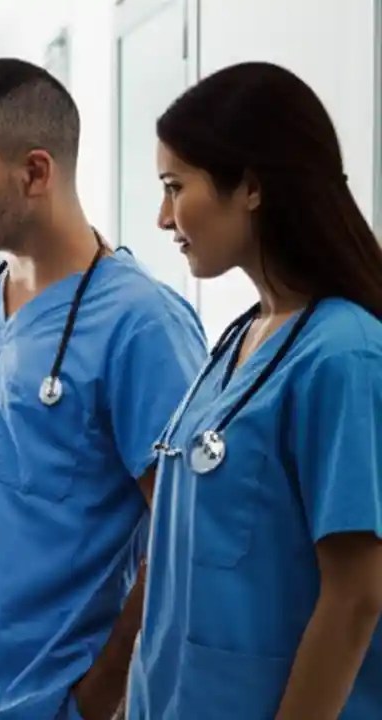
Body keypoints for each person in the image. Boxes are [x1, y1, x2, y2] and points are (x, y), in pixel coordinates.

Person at [0, 58, 208, 720]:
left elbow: (186, 537)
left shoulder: (142, 324)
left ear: (34, 173)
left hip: (64, 704)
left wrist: (100, 692)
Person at [127, 61, 382, 719]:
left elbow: (357, 594)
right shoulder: (241, 340)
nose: (163, 216)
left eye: (174, 186)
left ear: (251, 187)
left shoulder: (344, 354)